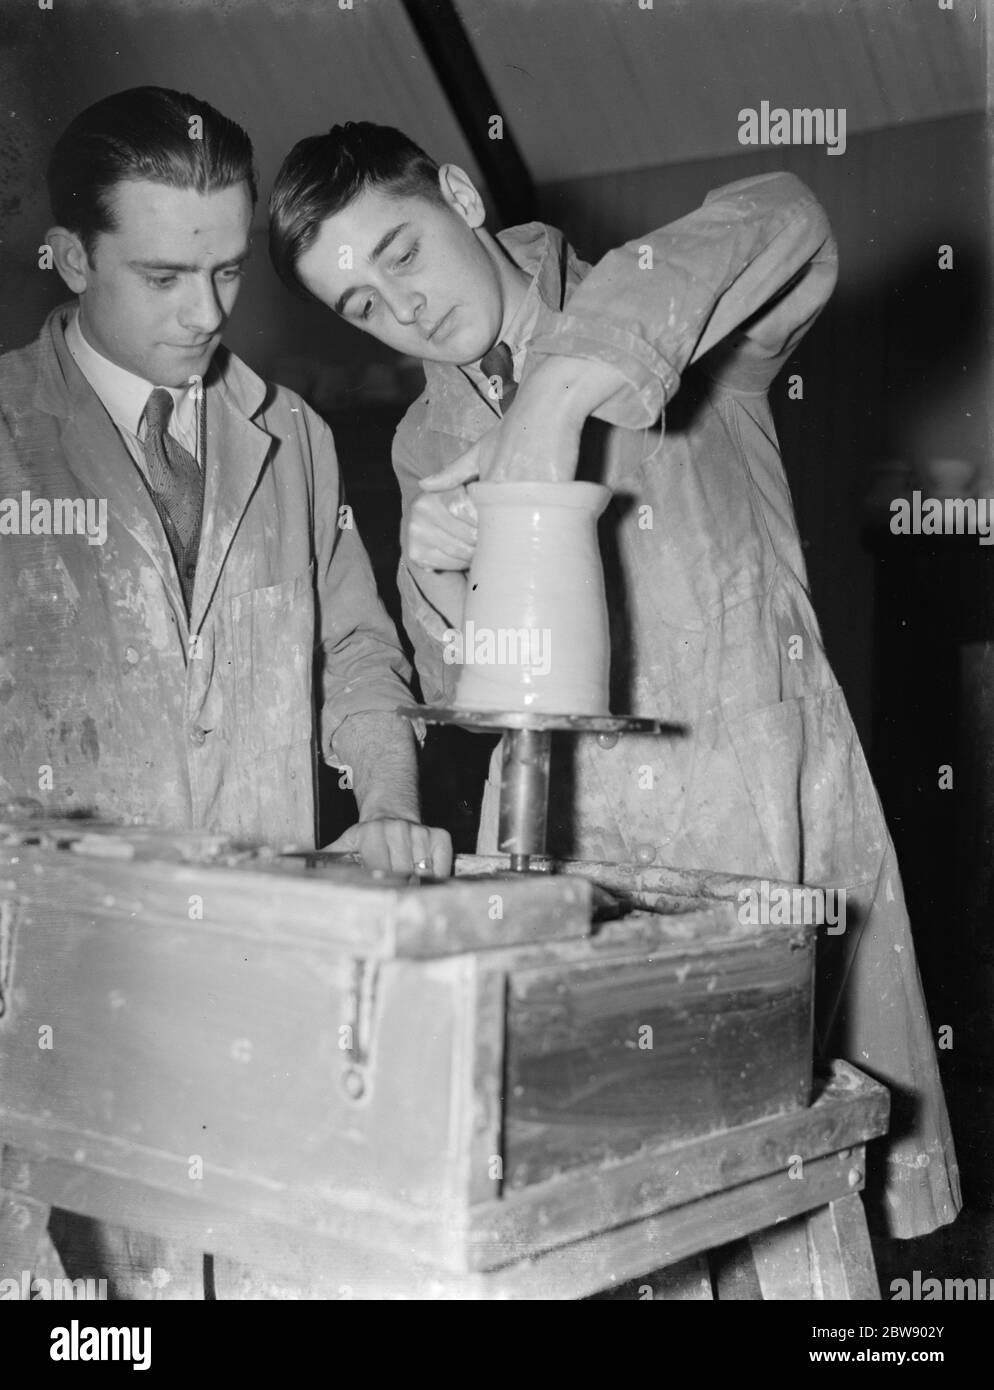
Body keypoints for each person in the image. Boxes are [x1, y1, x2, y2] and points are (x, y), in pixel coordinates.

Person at [268, 122, 961, 1243]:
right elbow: (464, 688)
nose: (403, 311)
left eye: (400, 252)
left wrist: (553, 399)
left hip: (753, 813)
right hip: (565, 837)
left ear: (457, 191)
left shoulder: (669, 308)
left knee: (787, 1201)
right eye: (359, 305)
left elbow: (786, 209)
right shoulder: (418, 439)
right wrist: (435, 564)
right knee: (612, 1212)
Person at [0, 90, 450, 1298]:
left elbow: (355, 654)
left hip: (261, 997)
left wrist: (389, 805)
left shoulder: (290, 436)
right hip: (46, 1013)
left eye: (227, 272)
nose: (206, 315)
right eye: (160, 277)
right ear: (70, 256)